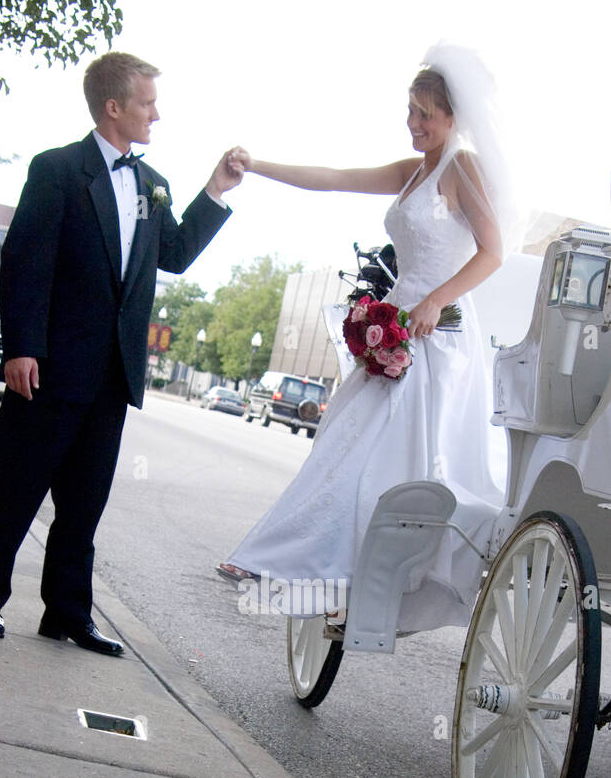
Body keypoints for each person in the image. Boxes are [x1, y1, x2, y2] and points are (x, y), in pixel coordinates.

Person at [217, 43, 519, 636]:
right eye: (410, 110)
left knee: (395, 460)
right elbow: (334, 179)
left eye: (425, 114)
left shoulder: (462, 167)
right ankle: (285, 560)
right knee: (345, 444)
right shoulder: (414, 171)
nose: (413, 123)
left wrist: (436, 299)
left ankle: (365, 581)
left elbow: (494, 251)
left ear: (454, 117)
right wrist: (257, 167)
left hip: (439, 334)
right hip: (398, 325)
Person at [0, 51, 244, 655]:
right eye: (147, 102)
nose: (156, 115)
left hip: (111, 376)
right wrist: (22, 348)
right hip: (48, 369)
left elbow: (172, 252)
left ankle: (66, 614)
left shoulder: (152, 185)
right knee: (14, 495)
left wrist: (215, 191)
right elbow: (26, 261)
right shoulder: (58, 170)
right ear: (113, 107)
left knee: (83, 508)